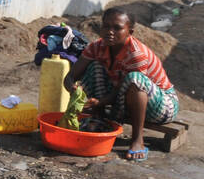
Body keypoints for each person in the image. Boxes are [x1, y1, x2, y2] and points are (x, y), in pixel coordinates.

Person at [64, 8, 178, 161]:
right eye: (106, 26)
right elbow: (71, 75)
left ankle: (138, 140)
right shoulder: (96, 47)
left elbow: (125, 88)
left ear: (130, 31)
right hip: (123, 98)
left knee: (135, 79)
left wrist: (100, 101)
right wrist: (72, 87)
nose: (110, 32)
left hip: (162, 105)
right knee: (94, 66)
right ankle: (99, 119)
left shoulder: (136, 54)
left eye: (117, 28)